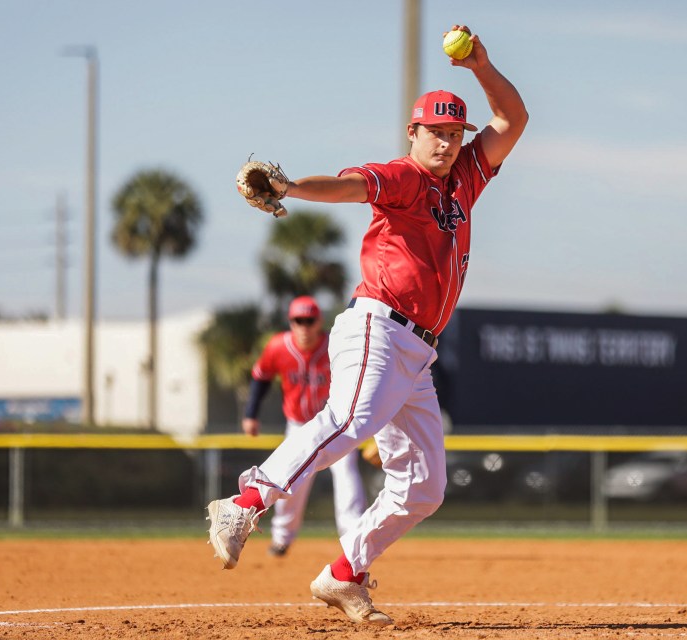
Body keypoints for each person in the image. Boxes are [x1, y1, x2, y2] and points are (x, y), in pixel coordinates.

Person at [207, 24, 527, 626]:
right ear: (413, 133)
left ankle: (344, 573)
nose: (446, 142)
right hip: (379, 327)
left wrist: (481, 66)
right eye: (435, 132)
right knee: (351, 419)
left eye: (454, 133)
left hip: (418, 353)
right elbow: (352, 187)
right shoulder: (404, 176)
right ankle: (245, 501)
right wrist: (291, 186)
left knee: (424, 486)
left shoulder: (464, 178)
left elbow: (513, 119)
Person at [241, 295, 366, 557]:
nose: (305, 326)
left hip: (334, 423)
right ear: (291, 322)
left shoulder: (335, 344)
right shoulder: (278, 346)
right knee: (289, 481)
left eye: (310, 320)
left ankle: (353, 538)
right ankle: (282, 538)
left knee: (346, 475)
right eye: (299, 320)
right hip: (298, 424)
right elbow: (261, 377)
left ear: (319, 322)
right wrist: (251, 413)